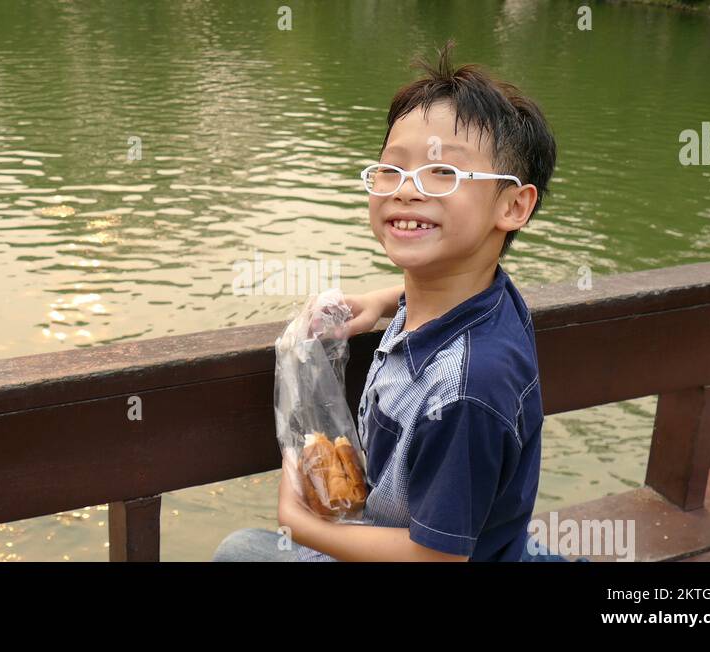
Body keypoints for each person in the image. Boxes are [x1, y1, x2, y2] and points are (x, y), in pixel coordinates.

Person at [214, 38, 576, 562]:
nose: (407, 189)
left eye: (443, 172)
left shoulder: (468, 390)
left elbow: (435, 559)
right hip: (496, 542)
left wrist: (298, 522)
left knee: (239, 552)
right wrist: (381, 302)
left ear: (514, 205)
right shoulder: (473, 293)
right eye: (392, 168)